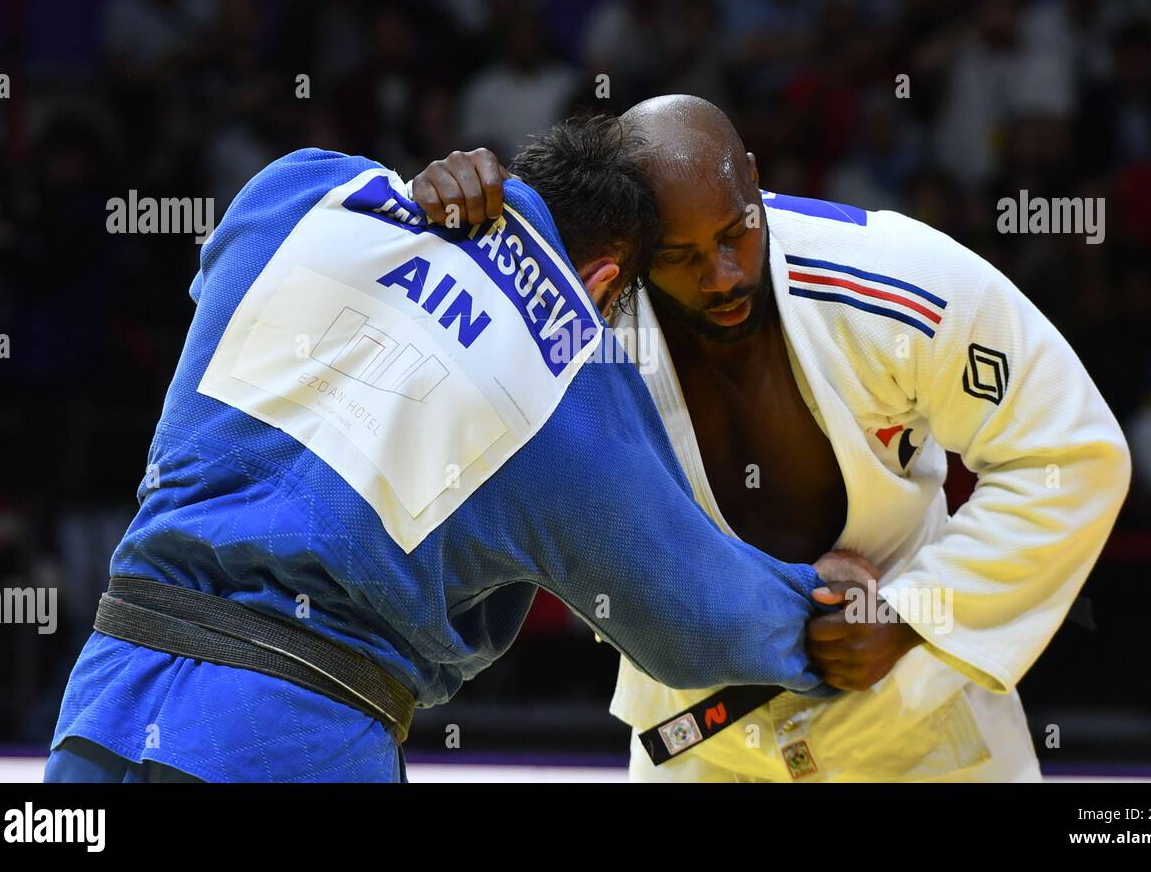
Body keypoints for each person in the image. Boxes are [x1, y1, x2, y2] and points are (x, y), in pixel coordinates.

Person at [44, 117, 842, 783]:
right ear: (602, 281)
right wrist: (822, 614)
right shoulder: (565, 371)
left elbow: (217, 282)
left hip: (102, 703)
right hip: (293, 735)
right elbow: (692, 618)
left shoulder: (299, 189)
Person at [417, 96, 1132, 782]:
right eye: (680, 256)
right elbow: (434, 422)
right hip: (702, 734)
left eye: (737, 232)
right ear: (630, 243)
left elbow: (1070, 453)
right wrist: (442, 227)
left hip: (919, 729)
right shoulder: (591, 315)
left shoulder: (898, 279)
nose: (723, 276)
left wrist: (915, 613)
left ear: (754, 177)